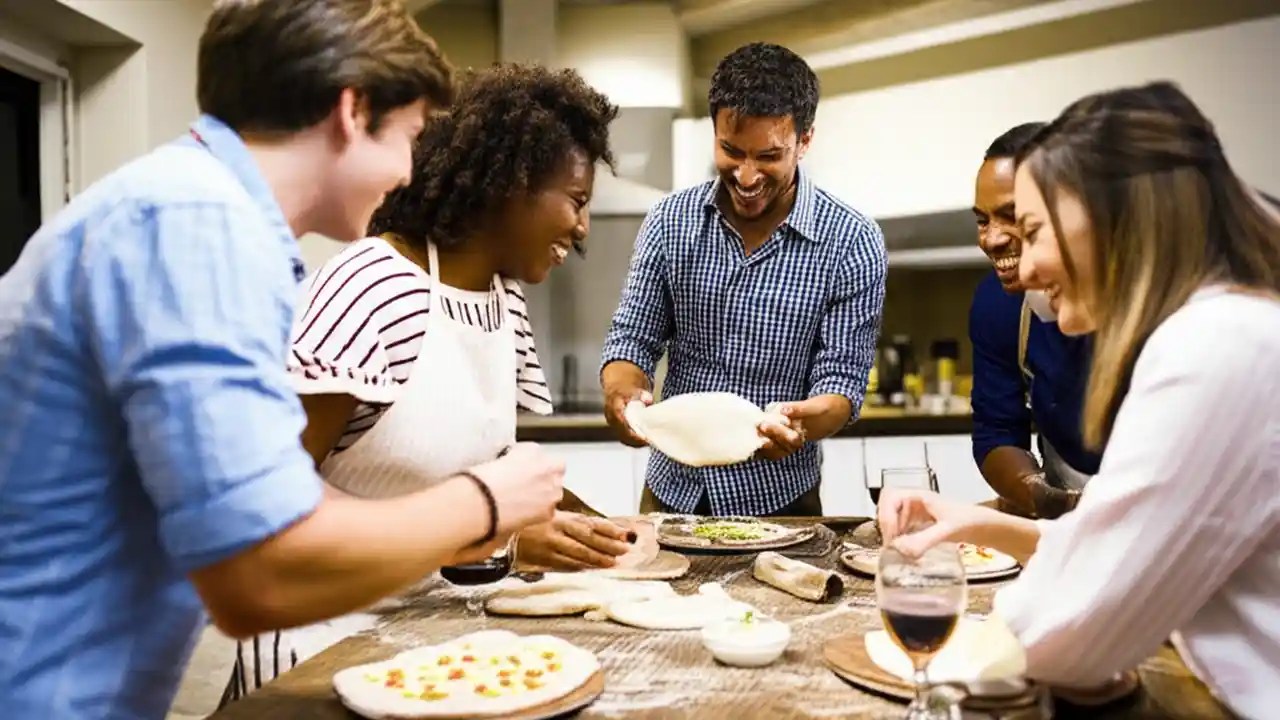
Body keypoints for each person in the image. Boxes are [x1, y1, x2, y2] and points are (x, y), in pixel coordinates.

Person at [0, 3, 565, 718]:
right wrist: (484, 503)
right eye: (411, 137)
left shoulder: (207, 216)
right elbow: (256, 578)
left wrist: (486, 513)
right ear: (351, 111)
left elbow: (277, 492)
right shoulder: (192, 229)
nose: (407, 172)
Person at [222, 64, 631, 696]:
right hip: (319, 649)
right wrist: (488, 531)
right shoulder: (372, 287)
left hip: (429, 645)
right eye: (576, 201)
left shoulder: (502, 301)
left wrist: (611, 539)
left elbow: (479, 473)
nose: (581, 228)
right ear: (511, 184)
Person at [879, 81, 1279, 719]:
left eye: (1034, 230)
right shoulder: (1235, 325)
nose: (1026, 268)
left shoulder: (1212, 349)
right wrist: (977, 522)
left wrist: (1013, 609)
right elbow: (1125, 547)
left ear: (1118, 219)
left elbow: (1065, 635)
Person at [600, 42, 887, 517]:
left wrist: (798, 423)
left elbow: (841, 383)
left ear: (805, 140)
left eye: (769, 156)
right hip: (671, 494)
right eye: (731, 151)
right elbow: (633, 338)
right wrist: (622, 393)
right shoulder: (669, 221)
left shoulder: (851, 240)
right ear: (714, 130)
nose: (747, 175)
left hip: (782, 501)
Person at [968, 123, 1101, 518]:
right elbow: (996, 431)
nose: (992, 239)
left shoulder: (1170, 319)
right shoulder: (998, 303)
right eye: (982, 220)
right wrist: (1041, 497)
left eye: (1013, 216)